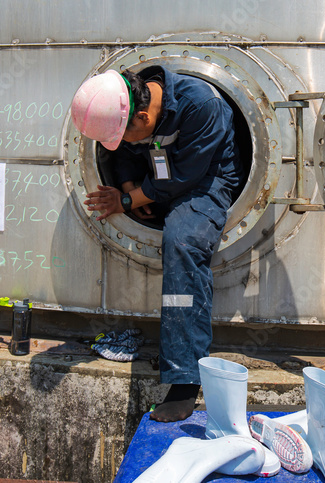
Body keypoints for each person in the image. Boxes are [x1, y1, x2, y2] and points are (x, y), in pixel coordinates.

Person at [71, 66, 242, 421]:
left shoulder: (202, 105)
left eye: (127, 135)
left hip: (206, 181)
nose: (125, 141)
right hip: (159, 176)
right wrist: (129, 185)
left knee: (182, 242)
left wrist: (129, 201)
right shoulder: (134, 110)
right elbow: (122, 151)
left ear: (144, 117)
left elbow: (184, 176)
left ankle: (185, 379)